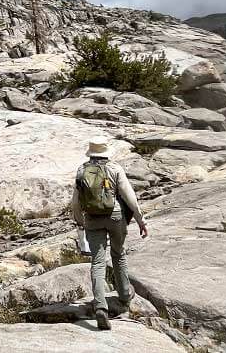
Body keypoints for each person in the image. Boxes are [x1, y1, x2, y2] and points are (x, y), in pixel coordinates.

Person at [71, 136, 148, 330]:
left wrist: (80, 222)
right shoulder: (115, 169)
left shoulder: (82, 170)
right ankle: (124, 297)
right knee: (118, 254)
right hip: (115, 217)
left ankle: (100, 308)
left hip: (92, 219)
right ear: (106, 152)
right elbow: (129, 196)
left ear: (91, 153)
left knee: (97, 261)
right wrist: (140, 220)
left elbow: (75, 202)